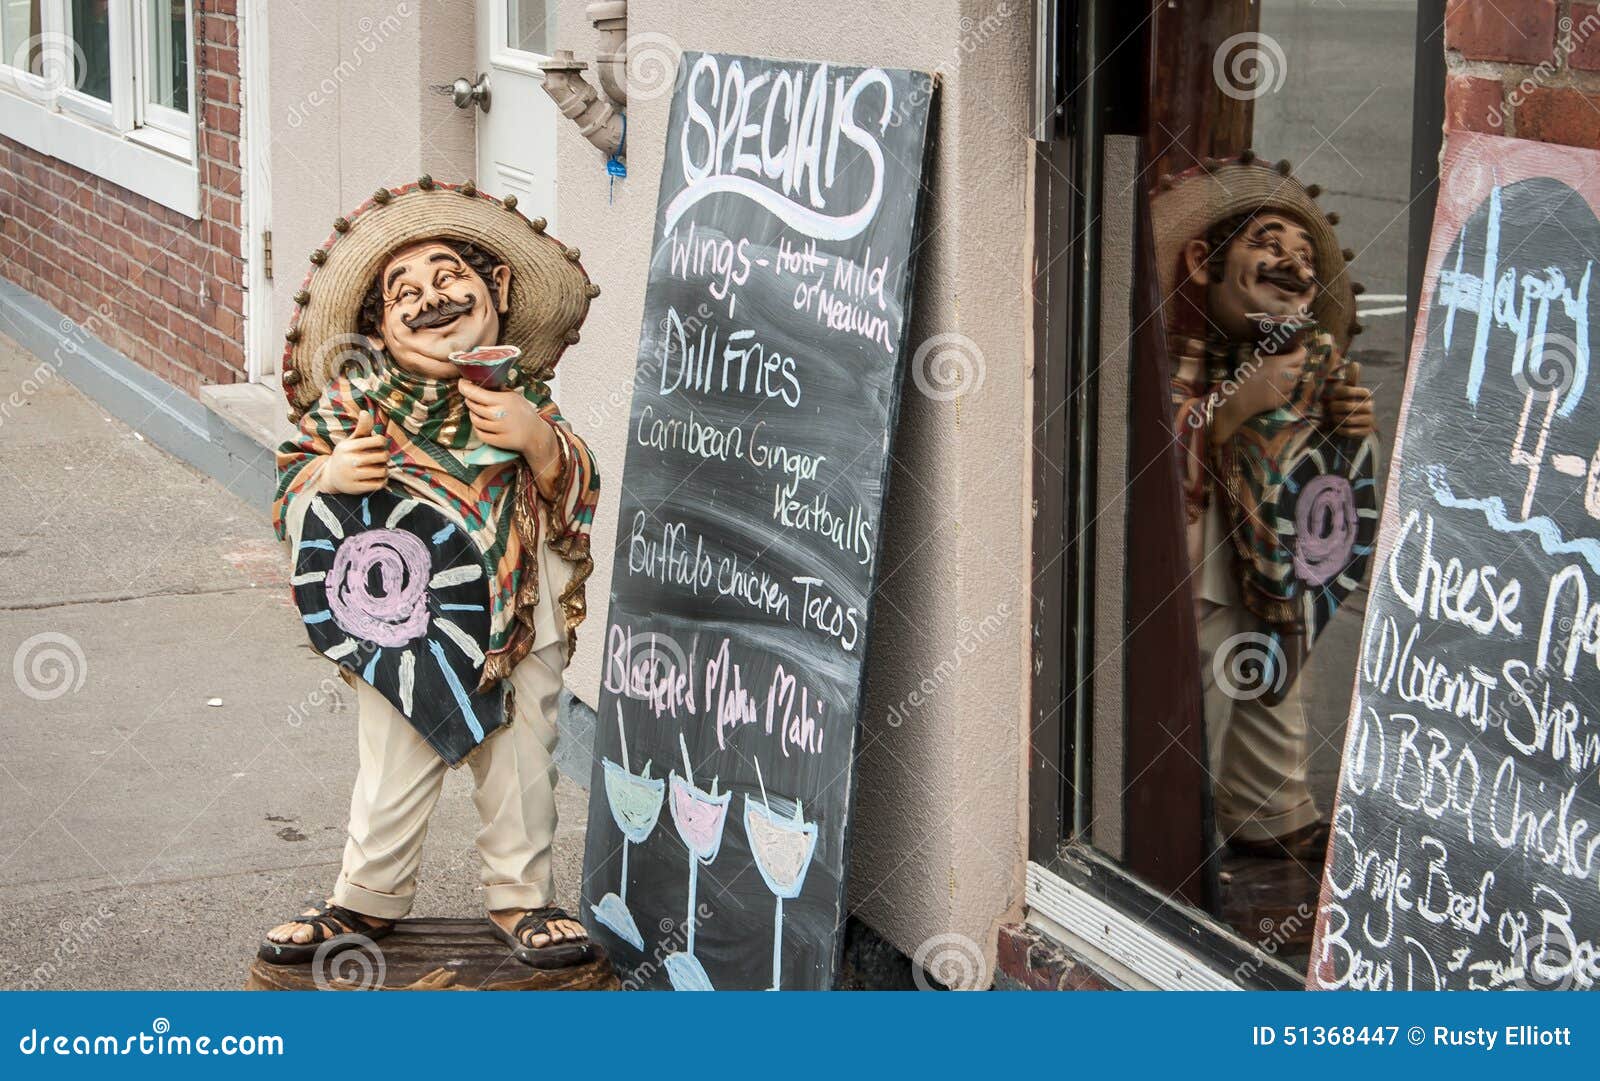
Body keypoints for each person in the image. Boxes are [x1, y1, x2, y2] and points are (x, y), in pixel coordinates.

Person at [259, 178, 603, 968]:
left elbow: (574, 488)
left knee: (519, 758)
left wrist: (538, 444)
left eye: (450, 275)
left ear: (497, 288)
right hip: (399, 630)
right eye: (403, 291)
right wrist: (331, 475)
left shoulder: (521, 400)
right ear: (379, 326)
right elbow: (291, 487)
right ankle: (365, 897)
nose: (431, 298)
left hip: (513, 621)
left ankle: (522, 896)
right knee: (392, 761)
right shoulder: (358, 404)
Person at [1154, 155, 1377, 862]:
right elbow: (1150, 434)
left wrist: (1347, 425)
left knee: (1277, 682)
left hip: (1273, 564)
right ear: (1201, 261)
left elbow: (1323, 475)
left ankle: (1269, 809)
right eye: (1270, 245)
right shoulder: (1173, 355)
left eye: (1304, 256)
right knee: (1199, 683)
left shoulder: (1301, 361)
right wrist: (1237, 407)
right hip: (1197, 560)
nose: (1291, 264)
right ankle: (1172, 824)